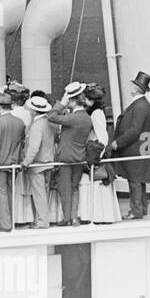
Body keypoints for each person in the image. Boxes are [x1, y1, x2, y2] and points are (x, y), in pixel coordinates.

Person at [108, 71, 150, 219]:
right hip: (140, 147)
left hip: (135, 148)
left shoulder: (139, 105)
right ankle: (142, 208)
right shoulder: (142, 104)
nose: (131, 86)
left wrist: (118, 142)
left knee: (135, 180)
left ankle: (136, 210)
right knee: (138, 180)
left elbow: (135, 130)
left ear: (138, 89)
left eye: (133, 84)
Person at [47, 83, 94, 226]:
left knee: (65, 189)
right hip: (79, 157)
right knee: (74, 188)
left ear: (72, 101)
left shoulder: (72, 118)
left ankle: (67, 218)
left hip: (66, 158)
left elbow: (51, 116)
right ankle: (74, 217)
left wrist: (62, 102)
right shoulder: (87, 118)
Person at [77, 85, 121, 225]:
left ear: (91, 100)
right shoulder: (94, 112)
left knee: (96, 186)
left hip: (95, 156)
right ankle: (97, 216)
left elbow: (102, 137)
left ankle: (99, 216)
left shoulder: (96, 114)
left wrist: (96, 158)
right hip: (93, 154)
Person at [0, 92, 26, 231]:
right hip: (14, 165)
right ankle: (11, 223)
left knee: (1, 195)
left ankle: (6, 225)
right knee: (10, 195)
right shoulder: (20, 123)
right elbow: (22, 145)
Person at [20, 94, 54, 228]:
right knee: (44, 194)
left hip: (37, 164)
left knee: (39, 194)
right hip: (49, 162)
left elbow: (34, 147)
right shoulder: (49, 123)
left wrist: (26, 162)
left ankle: (42, 222)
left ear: (34, 111)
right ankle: (43, 219)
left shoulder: (36, 126)